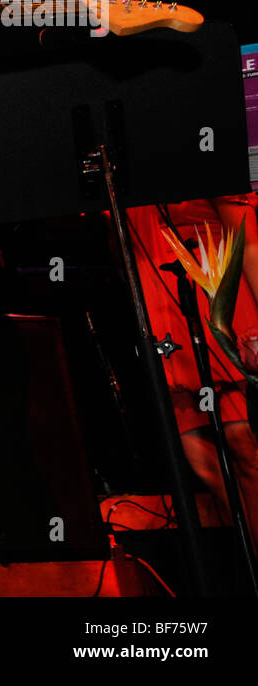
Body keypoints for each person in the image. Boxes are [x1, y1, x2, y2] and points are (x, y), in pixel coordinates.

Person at [128, 196, 258, 540]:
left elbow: (250, 244)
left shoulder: (205, 155)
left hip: (224, 307)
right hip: (167, 316)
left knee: (246, 449)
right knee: (203, 460)